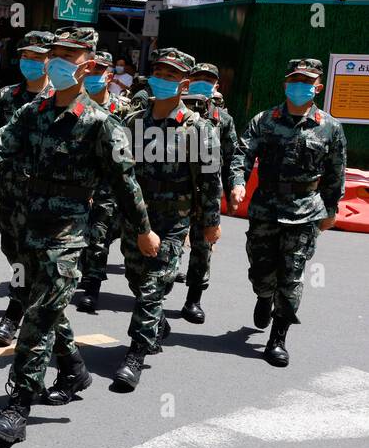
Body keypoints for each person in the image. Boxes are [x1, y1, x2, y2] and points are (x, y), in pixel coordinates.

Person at [0, 27, 156, 442]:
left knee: (37, 317)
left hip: (69, 233)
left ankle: (18, 405)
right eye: (53, 55)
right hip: (30, 225)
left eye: (67, 57)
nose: (55, 63)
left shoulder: (100, 124)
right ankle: (74, 370)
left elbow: (127, 184)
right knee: (47, 306)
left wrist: (143, 232)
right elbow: (1, 142)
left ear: (87, 66)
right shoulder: (34, 112)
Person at [110, 48, 221, 392]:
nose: (163, 80)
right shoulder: (133, 122)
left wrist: (210, 222)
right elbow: (119, 171)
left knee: (150, 288)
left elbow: (209, 180)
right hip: (137, 218)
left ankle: (135, 355)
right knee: (134, 275)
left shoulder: (199, 129)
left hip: (174, 222)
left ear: (184, 84)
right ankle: (155, 322)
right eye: (159, 72)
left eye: (171, 76)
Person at [229, 58, 346, 366]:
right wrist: (238, 182)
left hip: (305, 210)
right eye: (294, 81)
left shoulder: (330, 128)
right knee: (260, 270)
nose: (299, 87)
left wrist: (331, 209)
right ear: (285, 84)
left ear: (317, 87)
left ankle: (278, 338)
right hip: (266, 207)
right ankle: (264, 295)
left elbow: (336, 173)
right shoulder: (265, 120)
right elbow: (242, 154)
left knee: (291, 276)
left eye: (306, 82)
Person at [0, 30, 55, 347]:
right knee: (15, 255)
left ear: (51, 61)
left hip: (47, 197)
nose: (30, 62)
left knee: (41, 259)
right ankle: (18, 304)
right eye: (26, 56)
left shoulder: (60, 99)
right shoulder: (6, 97)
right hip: (10, 193)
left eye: (38, 57)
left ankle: (24, 312)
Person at [178, 61, 244, 324]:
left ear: (217, 85)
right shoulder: (172, 110)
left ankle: (193, 299)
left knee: (202, 247)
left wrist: (233, 188)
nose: (203, 82)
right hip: (173, 192)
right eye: (198, 77)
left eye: (208, 78)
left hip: (206, 194)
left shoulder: (222, 119)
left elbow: (232, 157)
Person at [74, 50, 126, 313]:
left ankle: (92, 287)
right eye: (91, 70)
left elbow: (131, 153)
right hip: (77, 183)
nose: (94, 76)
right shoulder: (74, 104)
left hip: (108, 186)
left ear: (109, 76)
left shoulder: (124, 109)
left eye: (99, 71)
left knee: (98, 237)